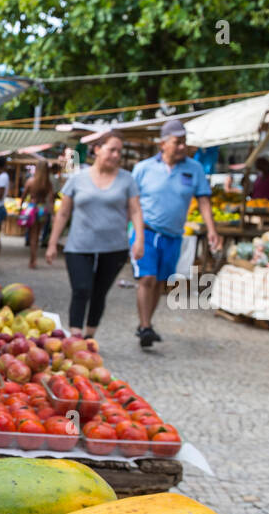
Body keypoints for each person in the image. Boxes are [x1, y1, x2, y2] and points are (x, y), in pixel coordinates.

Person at [129, 118, 221, 348]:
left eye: (184, 142)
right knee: (147, 278)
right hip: (146, 231)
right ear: (163, 143)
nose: (182, 147)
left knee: (160, 281)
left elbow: (203, 200)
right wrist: (134, 233)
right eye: (177, 142)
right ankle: (145, 326)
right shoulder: (143, 169)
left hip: (174, 235)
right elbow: (131, 202)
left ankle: (146, 324)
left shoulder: (194, 169)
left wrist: (212, 230)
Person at [46, 132, 144, 338]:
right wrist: (52, 243)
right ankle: (75, 336)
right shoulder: (78, 178)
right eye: (112, 150)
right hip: (79, 245)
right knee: (82, 289)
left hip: (114, 246)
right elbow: (63, 212)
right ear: (98, 150)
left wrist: (139, 240)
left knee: (100, 292)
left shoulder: (127, 180)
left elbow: (135, 210)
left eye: (120, 151)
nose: (116, 155)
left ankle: (89, 336)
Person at [22, 161, 56, 269]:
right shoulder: (47, 183)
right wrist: (53, 213)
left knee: (32, 235)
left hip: (32, 208)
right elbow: (51, 199)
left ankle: (32, 260)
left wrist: (20, 209)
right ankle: (34, 259)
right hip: (42, 209)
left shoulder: (31, 181)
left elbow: (23, 196)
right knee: (37, 235)